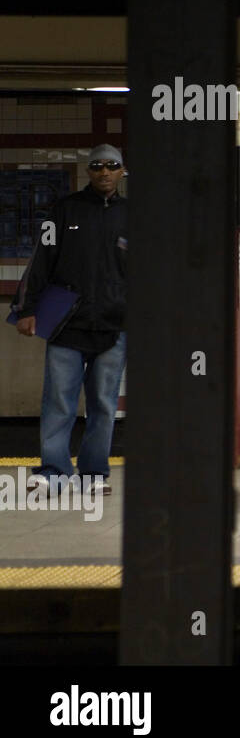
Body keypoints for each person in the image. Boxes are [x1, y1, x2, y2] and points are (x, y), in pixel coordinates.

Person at [10, 145, 128, 495]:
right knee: (59, 400)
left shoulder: (136, 215)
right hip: (66, 324)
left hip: (114, 324)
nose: (104, 172)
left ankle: (94, 475)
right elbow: (41, 261)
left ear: (123, 171)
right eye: (96, 166)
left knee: (103, 404)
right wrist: (26, 309)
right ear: (87, 171)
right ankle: (53, 472)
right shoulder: (63, 211)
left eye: (111, 166)